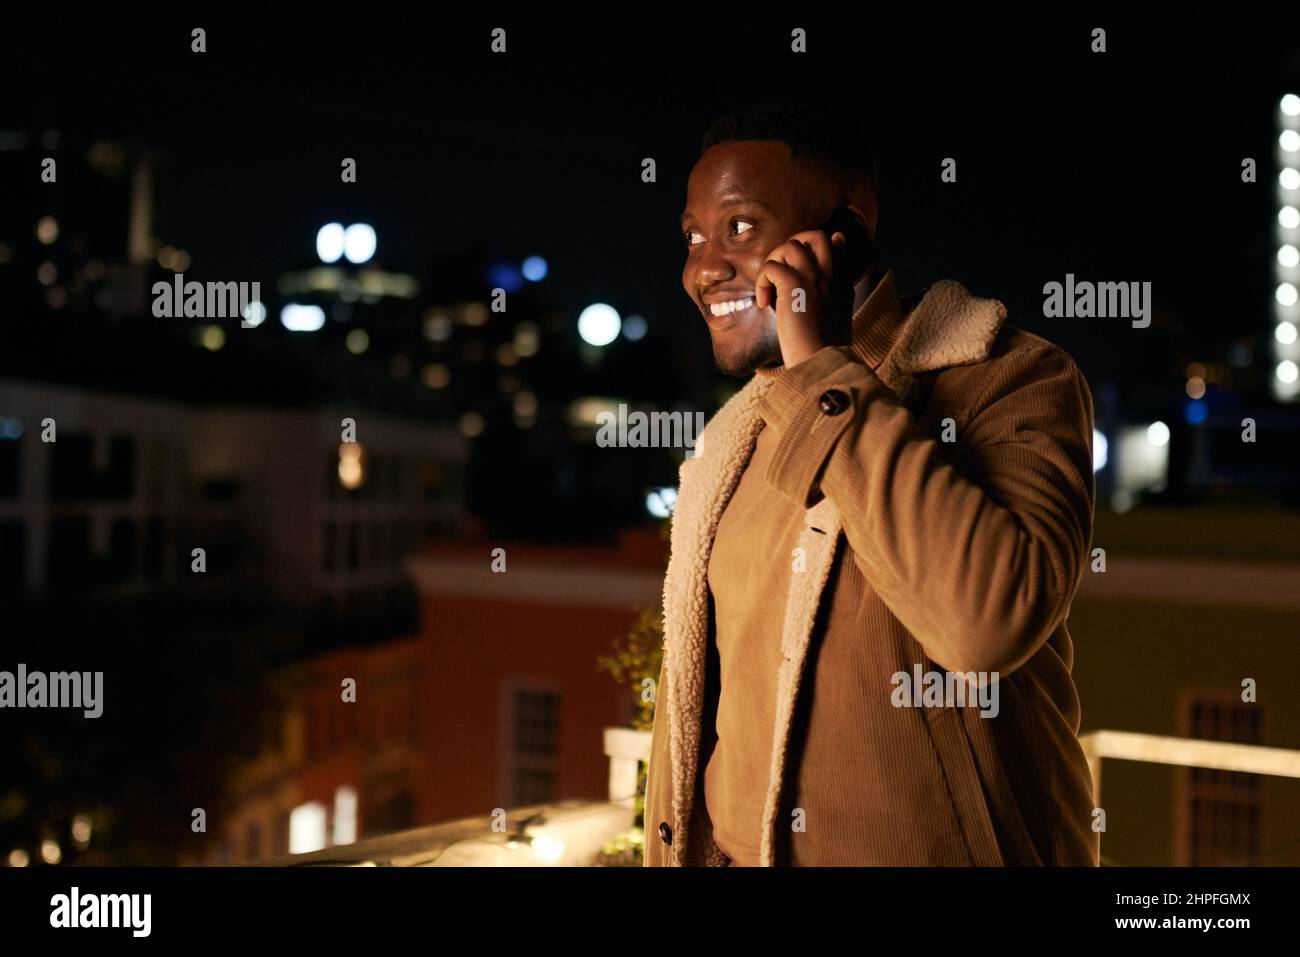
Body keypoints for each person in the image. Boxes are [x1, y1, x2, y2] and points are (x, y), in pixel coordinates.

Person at [643, 97, 1099, 866]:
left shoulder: (1011, 377)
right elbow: (698, 715)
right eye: (692, 235)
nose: (702, 267)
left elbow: (986, 620)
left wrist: (821, 365)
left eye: (740, 228)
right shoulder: (730, 444)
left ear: (846, 231)